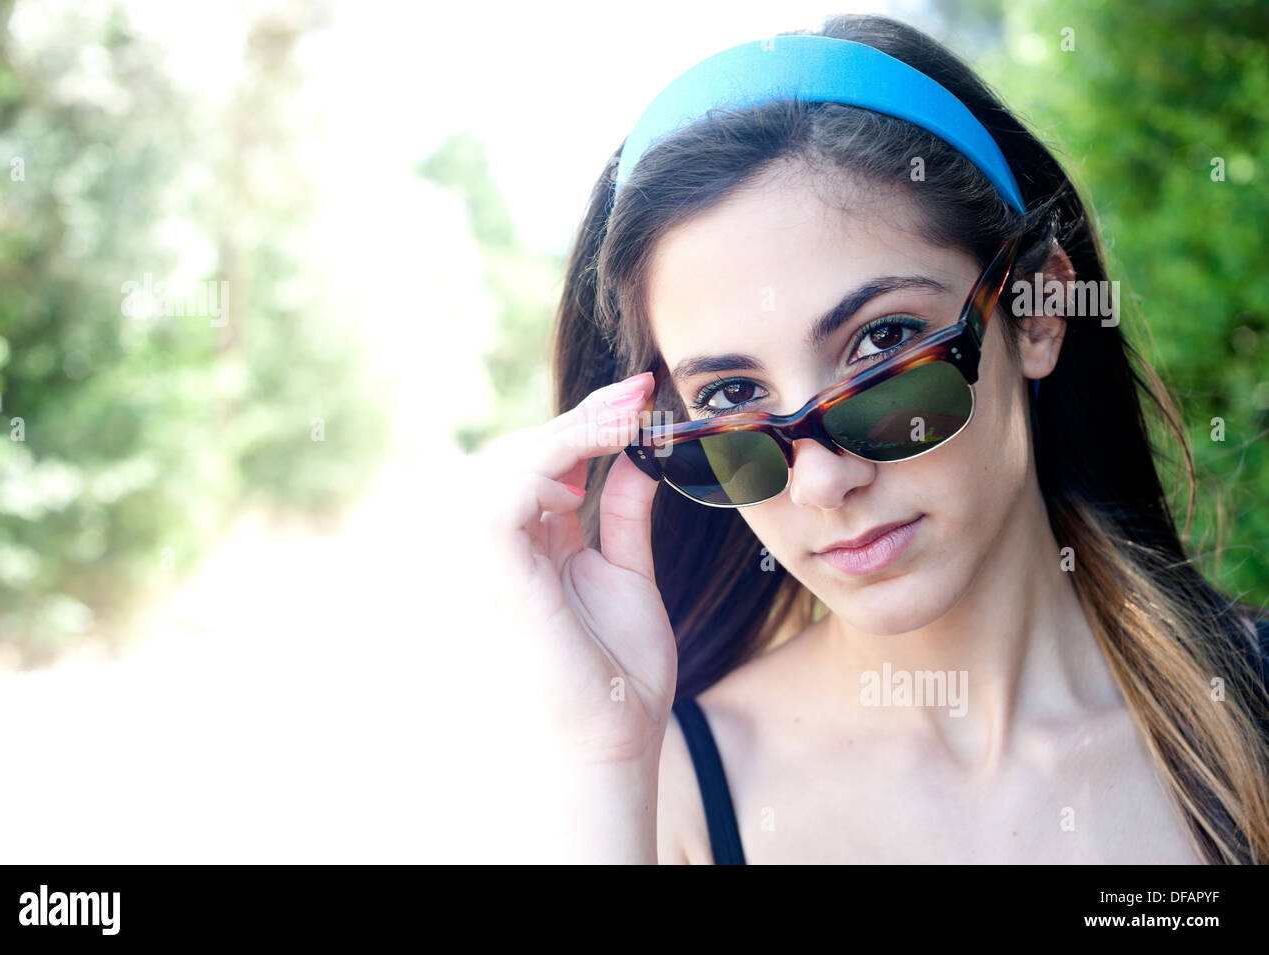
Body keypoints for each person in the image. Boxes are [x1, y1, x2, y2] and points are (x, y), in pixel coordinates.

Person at [476, 13, 1269, 864]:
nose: (821, 482)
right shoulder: (672, 800)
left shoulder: (1248, 715)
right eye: (733, 395)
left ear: (1038, 312)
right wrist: (608, 767)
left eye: (883, 344)